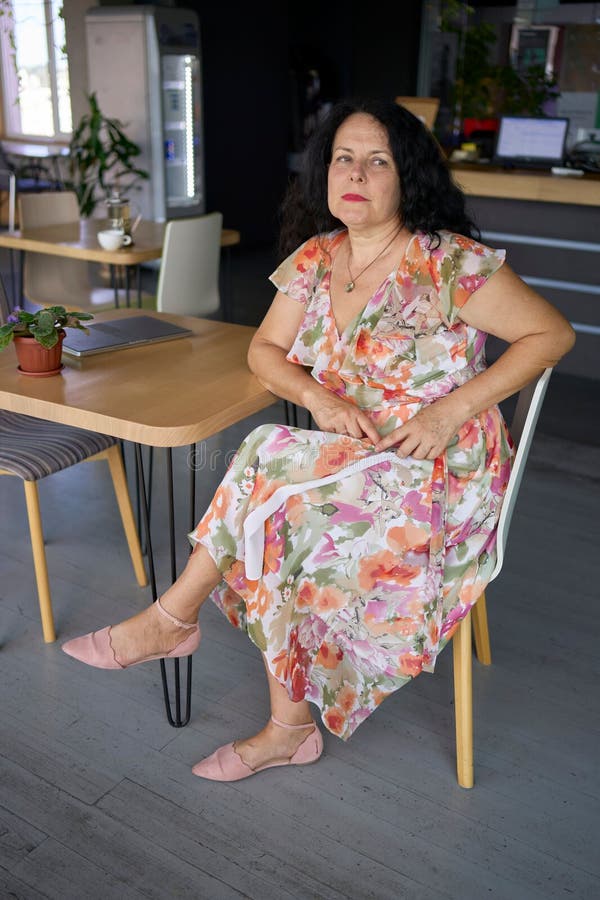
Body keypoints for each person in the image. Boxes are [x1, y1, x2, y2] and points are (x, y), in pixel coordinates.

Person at [62, 98, 575, 781]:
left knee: (269, 470)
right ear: (323, 174)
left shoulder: (448, 263)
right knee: (276, 488)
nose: (355, 172)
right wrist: (318, 396)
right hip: (352, 458)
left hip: (438, 470)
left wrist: (449, 411)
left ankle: (184, 630)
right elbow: (267, 350)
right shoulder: (317, 257)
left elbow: (552, 334)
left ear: (408, 176)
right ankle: (279, 720)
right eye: (342, 158)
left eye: (377, 160)